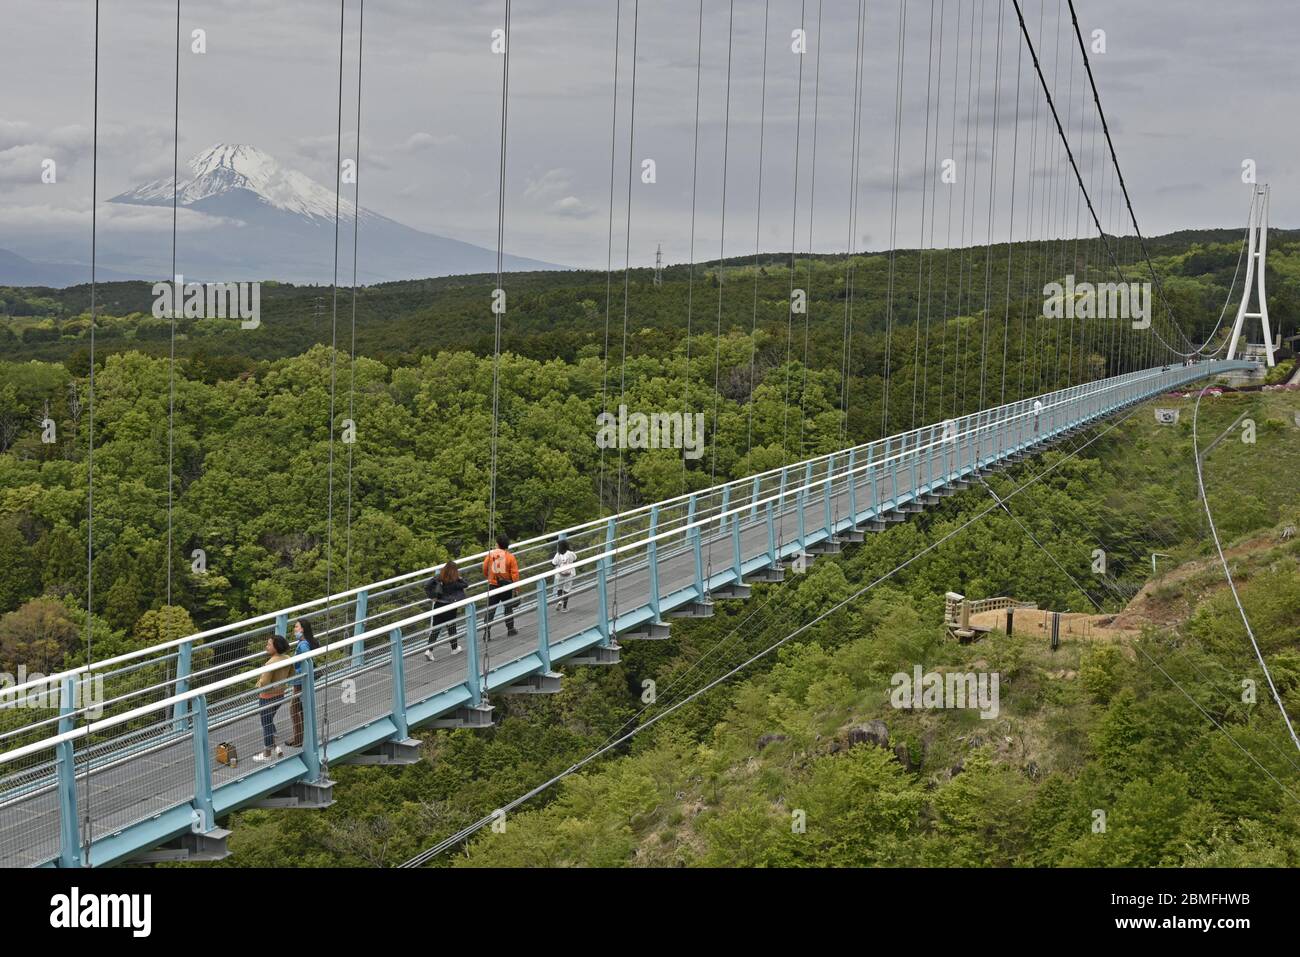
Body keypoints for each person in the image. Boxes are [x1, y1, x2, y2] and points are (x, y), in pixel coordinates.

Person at [254, 635, 293, 762]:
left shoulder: (270, 663)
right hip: (280, 694)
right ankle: (276, 747)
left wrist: (258, 685)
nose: (267, 646)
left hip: (266, 697)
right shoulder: (287, 658)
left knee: (266, 723)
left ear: (276, 647)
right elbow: (292, 674)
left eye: (269, 644)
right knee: (269, 721)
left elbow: (264, 682)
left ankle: (267, 754)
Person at [424, 560, 467, 661]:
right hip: (449, 607)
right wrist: (460, 578)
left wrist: (432, 596)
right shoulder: (455, 581)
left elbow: (427, 585)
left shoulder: (439, 578)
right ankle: (454, 648)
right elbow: (466, 584)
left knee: (435, 629)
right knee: (451, 627)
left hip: (438, 605)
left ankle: (429, 650)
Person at [481, 533, 520, 640]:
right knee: (508, 608)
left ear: (497, 544)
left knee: (491, 610)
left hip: (493, 585)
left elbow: (484, 568)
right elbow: (515, 574)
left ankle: (487, 633)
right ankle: (510, 629)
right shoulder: (510, 557)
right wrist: (516, 588)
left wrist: (489, 577)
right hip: (506, 586)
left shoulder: (490, 555)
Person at [286, 619, 317, 748]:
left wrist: (295, 671)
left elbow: (307, 661)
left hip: (300, 681)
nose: (294, 629)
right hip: (300, 681)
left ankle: (298, 739)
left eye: (296, 626)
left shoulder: (303, 644)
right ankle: (303, 736)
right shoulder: (303, 642)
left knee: (294, 709)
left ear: (302, 629)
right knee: (301, 709)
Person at [550, 537, 578, 612]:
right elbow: (575, 559)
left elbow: (553, 563)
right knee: (566, 590)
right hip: (569, 574)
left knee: (559, 588)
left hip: (560, 575)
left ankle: (559, 601)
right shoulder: (570, 553)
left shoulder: (558, 554)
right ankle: (564, 607)